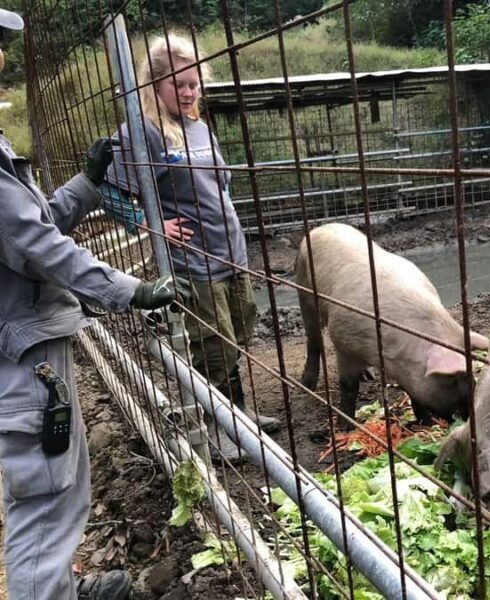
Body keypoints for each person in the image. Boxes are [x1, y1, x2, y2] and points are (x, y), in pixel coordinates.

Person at [0, 9, 193, 599]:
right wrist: (127, 289)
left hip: (26, 336)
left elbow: (28, 228)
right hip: (20, 350)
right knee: (47, 491)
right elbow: (36, 247)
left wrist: (85, 183)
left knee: (53, 483)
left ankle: (53, 586)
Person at [104, 33, 281, 457]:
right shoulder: (141, 131)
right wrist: (149, 222)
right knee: (211, 342)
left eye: (194, 84)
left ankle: (235, 413)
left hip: (229, 249)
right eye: (178, 84)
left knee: (238, 328)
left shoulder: (198, 126)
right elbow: (108, 191)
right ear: (154, 85)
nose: (188, 92)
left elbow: (220, 181)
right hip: (192, 259)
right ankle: (215, 429)